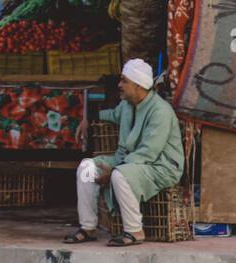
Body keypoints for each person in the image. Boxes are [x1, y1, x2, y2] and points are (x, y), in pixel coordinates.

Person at [66, 58, 183, 247]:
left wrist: (112, 171)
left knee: (120, 175)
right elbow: (113, 115)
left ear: (138, 85)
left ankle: (135, 231)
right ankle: (88, 227)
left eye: (124, 81)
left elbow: (148, 152)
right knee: (86, 167)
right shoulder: (128, 104)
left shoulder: (160, 111)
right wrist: (89, 119)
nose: (119, 85)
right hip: (128, 162)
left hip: (160, 166)